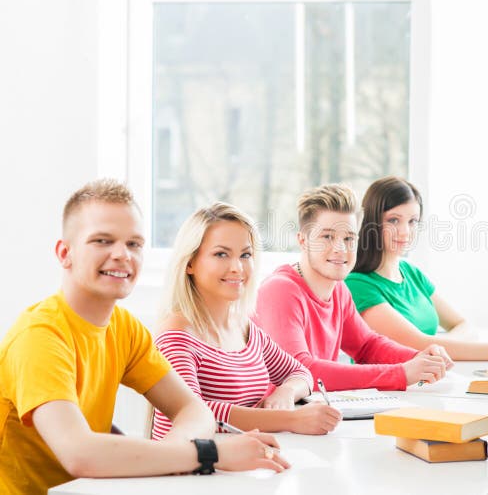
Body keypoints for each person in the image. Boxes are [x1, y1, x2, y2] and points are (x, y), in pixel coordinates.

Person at [0, 180, 287, 495]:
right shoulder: (40, 336)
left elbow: (194, 410)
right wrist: (208, 455)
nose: (122, 255)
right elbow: (78, 454)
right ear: (65, 253)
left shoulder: (123, 326)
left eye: (134, 244)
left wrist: (175, 458)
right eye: (102, 240)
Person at [152, 202, 342, 439]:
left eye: (245, 254)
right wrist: (292, 419)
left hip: (238, 464)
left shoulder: (245, 329)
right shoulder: (175, 336)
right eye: (221, 254)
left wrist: (285, 392)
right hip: (189, 470)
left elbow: (300, 373)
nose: (237, 267)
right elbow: (195, 413)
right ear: (189, 263)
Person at [254, 183, 452, 391]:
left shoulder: (339, 290)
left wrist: (419, 358)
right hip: (271, 418)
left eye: (349, 238)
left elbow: (367, 346)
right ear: (303, 241)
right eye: (327, 236)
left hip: (312, 412)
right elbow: (300, 372)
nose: (340, 249)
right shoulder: (280, 291)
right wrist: (401, 373)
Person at [346, 176, 488, 360]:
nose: (405, 231)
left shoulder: (411, 274)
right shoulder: (357, 284)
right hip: (384, 391)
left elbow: (464, 325)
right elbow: (420, 345)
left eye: (412, 221)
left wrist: (443, 346)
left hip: (426, 384)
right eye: (393, 220)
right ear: (372, 221)